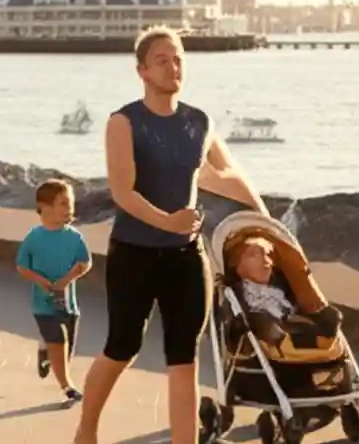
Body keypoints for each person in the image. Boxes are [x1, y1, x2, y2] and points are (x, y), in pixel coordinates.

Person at [74, 27, 271, 444]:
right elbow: (123, 192)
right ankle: (86, 431)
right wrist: (168, 221)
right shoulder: (124, 122)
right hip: (134, 254)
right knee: (122, 347)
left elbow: (227, 175)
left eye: (178, 58)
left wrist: (266, 221)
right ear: (142, 71)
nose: (173, 66)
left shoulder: (199, 122)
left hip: (186, 258)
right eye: (162, 60)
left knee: (184, 359)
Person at [15, 179, 92, 403]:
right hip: (42, 304)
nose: (70, 208)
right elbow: (22, 266)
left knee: (66, 348)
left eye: (71, 203)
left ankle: (45, 350)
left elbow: (85, 263)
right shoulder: (33, 237)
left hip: (68, 303)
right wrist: (40, 281)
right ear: (44, 207)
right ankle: (67, 387)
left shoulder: (74, 237)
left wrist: (66, 281)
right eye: (63, 203)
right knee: (58, 340)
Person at [230, 236, 341, 346]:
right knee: (264, 322)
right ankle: (294, 340)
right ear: (237, 265)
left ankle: (322, 340)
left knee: (331, 315)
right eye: (254, 255)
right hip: (267, 326)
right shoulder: (240, 292)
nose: (266, 261)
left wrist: (303, 318)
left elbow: (288, 312)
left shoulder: (277, 290)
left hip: (288, 323)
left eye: (268, 255)